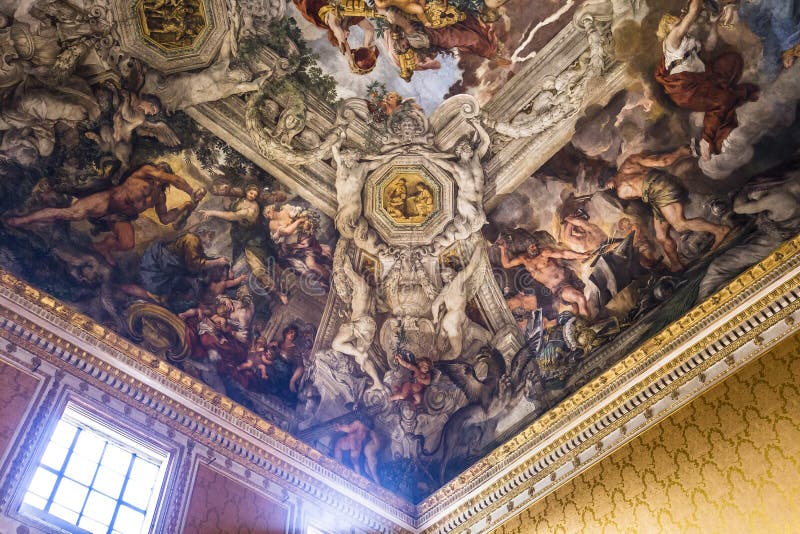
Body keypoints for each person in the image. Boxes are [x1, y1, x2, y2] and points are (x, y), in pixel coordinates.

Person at [7, 162, 206, 264]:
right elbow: (176, 180)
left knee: (127, 244)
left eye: (161, 171)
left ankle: (103, 247)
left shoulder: (158, 198)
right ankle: (23, 219)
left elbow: (165, 218)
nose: (158, 171)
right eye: (159, 170)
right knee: (71, 214)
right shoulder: (145, 172)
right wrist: (191, 191)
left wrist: (186, 205)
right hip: (107, 200)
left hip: (120, 217)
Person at [654, 0, 759, 159]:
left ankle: (723, 94)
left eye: (676, 19)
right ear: (667, 27)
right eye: (672, 20)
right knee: (723, 99)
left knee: (732, 60)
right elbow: (692, 13)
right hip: (687, 89)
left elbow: (710, 46)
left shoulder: (686, 38)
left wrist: (714, 24)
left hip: (701, 78)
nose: (677, 20)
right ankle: (706, 140)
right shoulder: (672, 38)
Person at [604, 146, 731, 271]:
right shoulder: (627, 173)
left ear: (609, 176)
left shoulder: (625, 179)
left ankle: (720, 230)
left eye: (606, 182)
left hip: (662, 189)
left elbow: (662, 161)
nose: (608, 186)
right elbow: (659, 166)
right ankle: (676, 265)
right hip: (657, 196)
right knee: (661, 236)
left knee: (679, 224)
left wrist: (680, 152)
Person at [497, 234, 591, 318]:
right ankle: (586, 326)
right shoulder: (523, 259)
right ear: (525, 248)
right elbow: (506, 264)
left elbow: (564, 254)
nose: (534, 248)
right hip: (557, 288)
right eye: (531, 247)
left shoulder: (544, 252)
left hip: (567, 280)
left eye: (534, 245)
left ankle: (586, 326)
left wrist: (581, 256)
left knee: (578, 303)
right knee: (579, 301)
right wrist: (502, 249)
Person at [332, 418, 381, 483]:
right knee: (355, 461)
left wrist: (340, 427)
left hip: (350, 441)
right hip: (357, 445)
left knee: (338, 445)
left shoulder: (358, 423)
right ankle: (359, 478)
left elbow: (349, 429)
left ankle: (337, 465)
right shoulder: (366, 431)